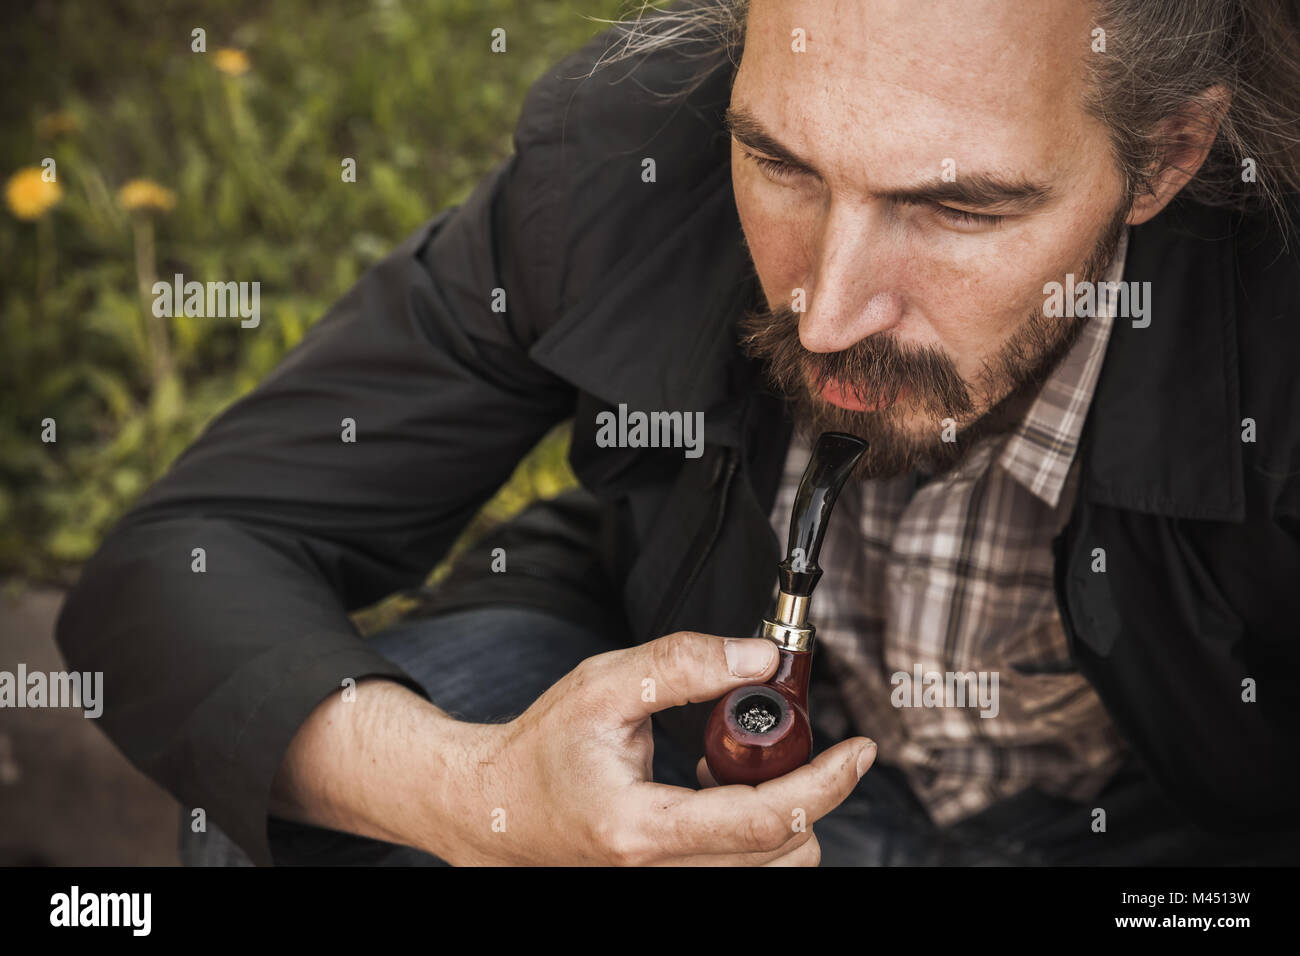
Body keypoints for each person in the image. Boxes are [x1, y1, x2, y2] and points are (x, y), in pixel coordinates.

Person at [58, 0, 1300, 866]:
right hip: (675, 728)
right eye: (781, 164)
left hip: (1158, 848)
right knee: (294, 804)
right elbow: (182, 560)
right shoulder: (621, 169)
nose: (825, 312)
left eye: (959, 206)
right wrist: (477, 796)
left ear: (1166, 155)